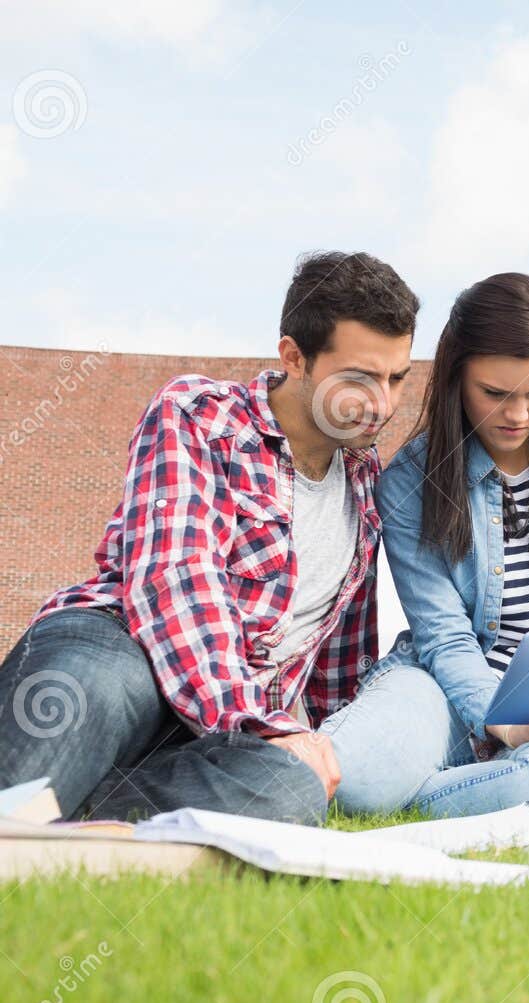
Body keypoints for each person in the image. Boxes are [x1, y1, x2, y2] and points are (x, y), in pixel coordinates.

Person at [0, 251, 419, 822]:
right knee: (83, 695)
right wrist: (257, 728)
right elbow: (177, 581)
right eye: (360, 379)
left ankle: (69, 829)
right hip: (126, 652)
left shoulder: (366, 483)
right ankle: (36, 815)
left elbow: (337, 661)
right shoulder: (201, 416)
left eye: (397, 379)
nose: (383, 404)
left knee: (287, 787)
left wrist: (313, 753)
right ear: (294, 357)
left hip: (213, 730)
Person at [318, 273, 529, 816]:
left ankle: (450, 791)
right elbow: (446, 639)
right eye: (495, 393)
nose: (518, 415)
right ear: (455, 376)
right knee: (357, 781)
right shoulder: (408, 483)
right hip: (443, 697)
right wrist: (508, 726)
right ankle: (489, 780)